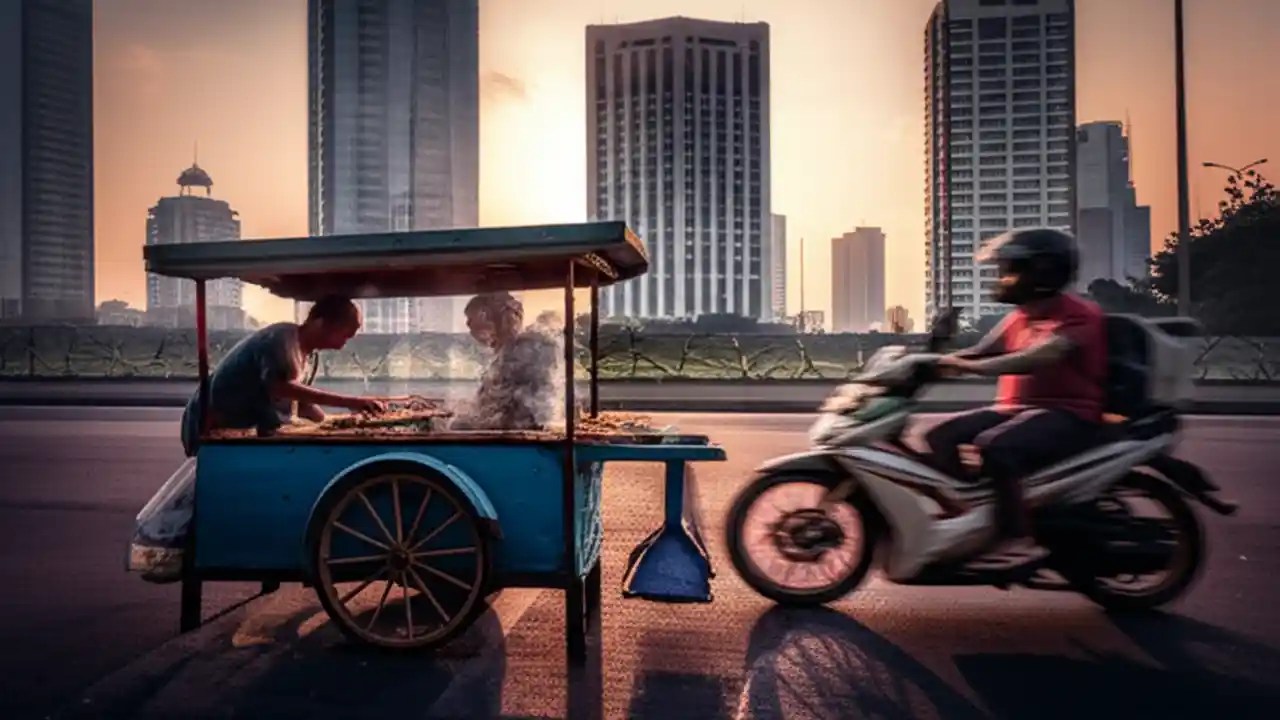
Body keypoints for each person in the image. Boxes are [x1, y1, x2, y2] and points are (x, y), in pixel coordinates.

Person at [917, 228, 1107, 552]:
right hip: (1014, 409)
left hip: (1068, 413)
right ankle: (972, 512)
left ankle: (1016, 536)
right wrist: (924, 360)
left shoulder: (1079, 314)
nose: (1002, 277)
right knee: (939, 436)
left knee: (996, 447)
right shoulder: (1020, 317)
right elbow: (979, 352)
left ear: (1041, 272)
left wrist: (970, 367)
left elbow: (1039, 357)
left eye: (1009, 269)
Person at [179, 295, 387, 456]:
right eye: (343, 335)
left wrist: (333, 424)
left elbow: (301, 401)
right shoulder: (281, 340)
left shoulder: (308, 355)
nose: (343, 345)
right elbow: (281, 387)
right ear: (320, 322)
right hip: (211, 424)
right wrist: (353, 402)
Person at [449, 291, 561, 430]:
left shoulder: (527, 349)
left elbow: (514, 405)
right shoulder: (507, 352)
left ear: (487, 317)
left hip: (520, 432)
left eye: (471, 319)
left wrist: (475, 420)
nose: (468, 325)